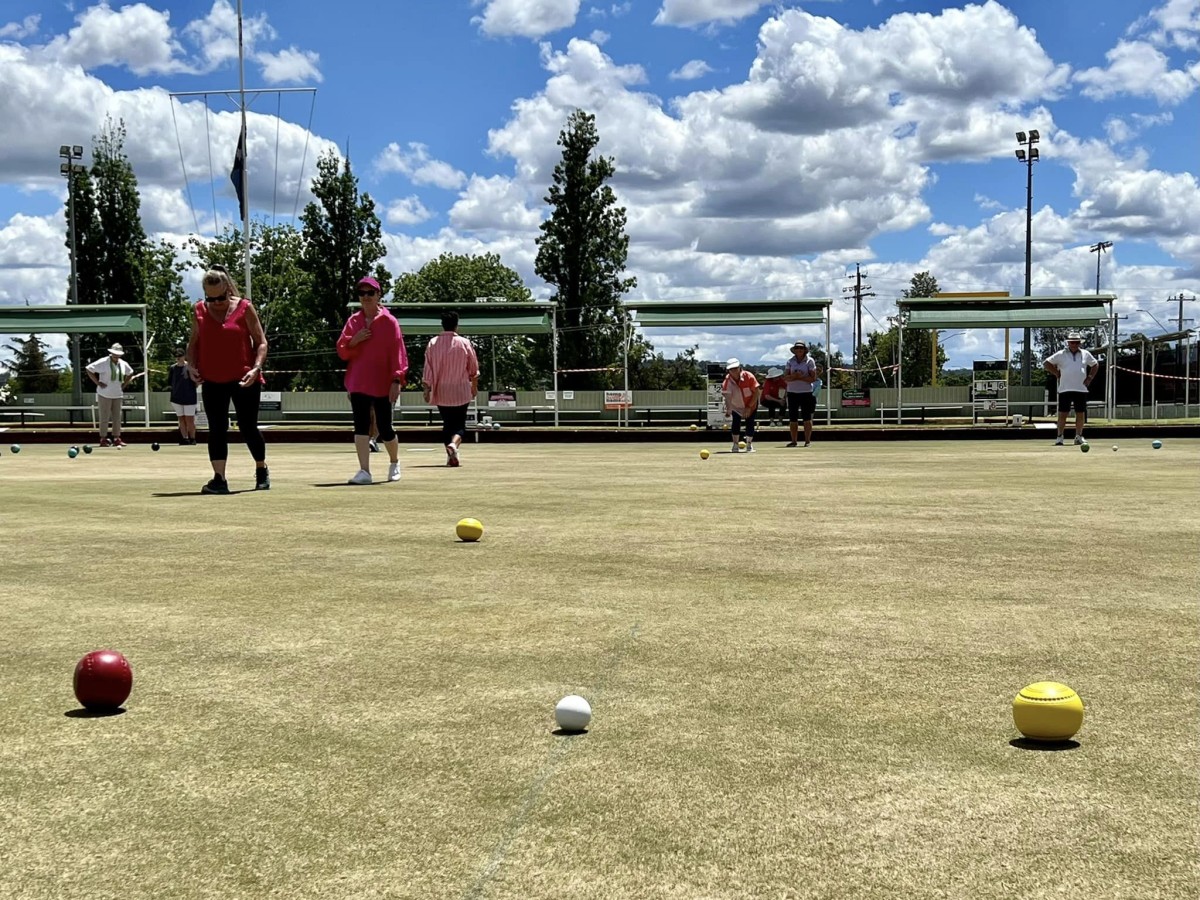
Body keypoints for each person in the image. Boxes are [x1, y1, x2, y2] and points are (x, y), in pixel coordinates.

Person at [185, 266, 270, 494]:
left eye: (221, 297)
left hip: (245, 378)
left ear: (228, 289)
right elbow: (193, 343)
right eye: (211, 298)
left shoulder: (245, 307)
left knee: (247, 426)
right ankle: (219, 479)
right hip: (212, 379)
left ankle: (261, 469)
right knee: (217, 428)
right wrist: (191, 366)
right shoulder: (199, 311)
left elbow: (261, 342)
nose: (217, 302)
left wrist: (256, 368)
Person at [336, 276, 407, 484]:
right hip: (358, 381)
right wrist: (353, 341)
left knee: (385, 428)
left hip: (383, 382)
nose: (366, 297)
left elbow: (398, 353)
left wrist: (397, 379)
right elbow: (342, 351)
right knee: (361, 425)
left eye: (370, 293)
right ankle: (364, 471)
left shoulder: (389, 322)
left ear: (378, 295)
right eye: (362, 293)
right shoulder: (353, 321)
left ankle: (394, 461)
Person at [421, 310, 479, 467]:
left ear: (442, 324)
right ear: (456, 325)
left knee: (447, 424)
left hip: (442, 391)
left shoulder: (432, 343)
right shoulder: (465, 343)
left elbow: (428, 370)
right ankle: (454, 445)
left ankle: (451, 456)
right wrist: (474, 387)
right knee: (459, 425)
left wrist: (427, 389)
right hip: (461, 390)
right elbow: (474, 370)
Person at [1044, 331, 1098, 446]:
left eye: (1076, 342)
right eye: (1072, 342)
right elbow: (1046, 363)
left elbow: (1095, 364)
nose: (1074, 344)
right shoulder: (1061, 354)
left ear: (1079, 343)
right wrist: (1056, 373)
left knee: (1080, 414)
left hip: (1081, 388)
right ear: (1068, 343)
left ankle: (1078, 436)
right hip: (1065, 388)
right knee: (1063, 414)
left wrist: (1089, 378)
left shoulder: (1085, 354)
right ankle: (1060, 436)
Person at [85, 343, 134, 448]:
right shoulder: (103, 362)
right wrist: (98, 382)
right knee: (104, 417)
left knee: (117, 417)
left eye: (118, 355)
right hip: (104, 394)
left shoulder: (123, 363)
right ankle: (103, 438)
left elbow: (130, 373)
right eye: (114, 354)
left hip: (117, 394)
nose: (116, 357)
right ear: (111, 353)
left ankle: (117, 438)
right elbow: (89, 369)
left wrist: (124, 385)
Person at [784, 340, 821, 447]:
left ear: (804, 350)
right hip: (792, 393)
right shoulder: (790, 361)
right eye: (797, 348)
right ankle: (794, 441)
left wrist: (800, 377)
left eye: (801, 348)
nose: (799, 350)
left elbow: (812, 378)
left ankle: (807, 441)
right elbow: (785, 377)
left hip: (806, 393)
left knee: (807, 418)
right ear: (794, 350)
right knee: (793, 418)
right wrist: (794, 376)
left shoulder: (810, 361)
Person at [721, 358, 760, 452]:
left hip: (751, 403)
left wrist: (749, 407)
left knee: (750, 422)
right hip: (736, 405)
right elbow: (727, 396)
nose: (734, 371)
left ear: (740, 368)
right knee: (736, 423)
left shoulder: (749, 376)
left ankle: (749, 445)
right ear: (728, 370)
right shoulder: (727, 381)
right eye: (731, 369)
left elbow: (756, 393)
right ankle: (735, 445)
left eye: (735, 368)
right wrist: (729, 409)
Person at [167, 348, 198, 445]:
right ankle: (185, 438)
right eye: (176, 356)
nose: (178, 358)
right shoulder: (173, 368)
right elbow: (170, 382)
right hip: (176, 397)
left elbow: (196, 381)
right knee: (181, 418)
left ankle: (192, 438)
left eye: (180, 356)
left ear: (184, 356)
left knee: (190, 419)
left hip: (189, 397)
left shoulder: (189, 367)